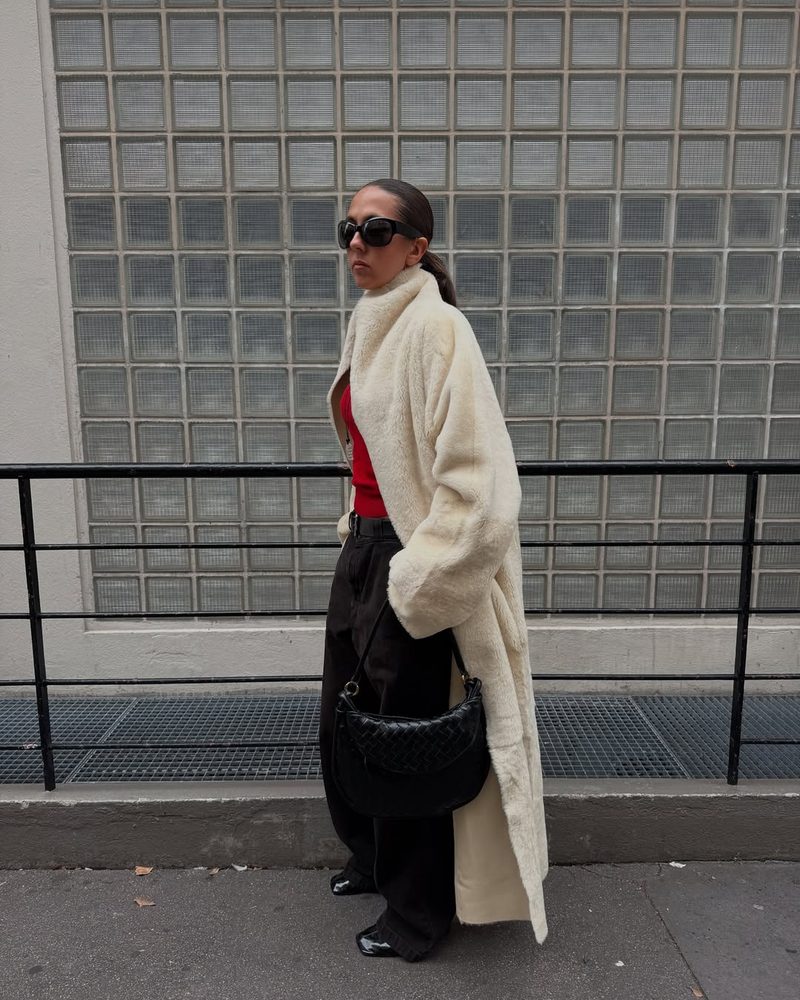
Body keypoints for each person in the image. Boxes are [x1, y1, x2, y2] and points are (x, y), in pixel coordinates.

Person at [319, 178, 549, 962]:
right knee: (346, 716)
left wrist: (417, 578)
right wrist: (359, 531)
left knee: (405, 738)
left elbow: (483, 490)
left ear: (417, 246)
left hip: (410, 560)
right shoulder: (373, 319)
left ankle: (417, 918)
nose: (357, 242)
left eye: (377, 230)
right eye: (348, 227)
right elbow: (373, 453)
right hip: (368, 547)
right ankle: (373, 859)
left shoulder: (436, 328)